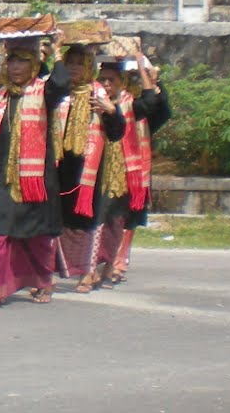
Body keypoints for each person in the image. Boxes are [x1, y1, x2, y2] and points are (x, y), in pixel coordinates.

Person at [0, 28, 70, 309]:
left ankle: (43, 281)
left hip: (35, 178)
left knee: (37, 236)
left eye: (23, 61)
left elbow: (61, 83)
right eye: (12, 61)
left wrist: (57, 53)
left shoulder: (44, 92)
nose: (16, 67)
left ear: (33, 65)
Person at [53, 43, 125, 293]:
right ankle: (54, 272)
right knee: (57, 220)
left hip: (89, 169)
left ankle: (88, 272)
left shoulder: (98, 94)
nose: (73, 68)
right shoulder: (59, 92)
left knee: (89, 221)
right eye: (69, 63)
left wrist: (111, 111)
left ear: (88, 67)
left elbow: (117, 133)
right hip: (60, 164)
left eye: (78, 64)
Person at [107, 54, 171, 284]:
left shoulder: (141, 109)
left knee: (128, 220)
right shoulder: (100, 102)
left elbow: (162, 110)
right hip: (106, 169)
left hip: (134, 172)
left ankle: (118, 264)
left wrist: (154, 82)